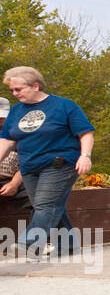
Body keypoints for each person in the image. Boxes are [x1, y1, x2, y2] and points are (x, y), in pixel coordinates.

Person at [0, 67, 95, 257]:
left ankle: (30, 242)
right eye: (12, 90)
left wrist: (85, 156)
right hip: (29, 167)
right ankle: (68, 244)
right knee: (48, 205)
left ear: (35, 85)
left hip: (60, 164)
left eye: (18, 89)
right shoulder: (17, 110)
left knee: (45, 204)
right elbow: (7, 139)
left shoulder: (64, 106)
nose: (14, 93)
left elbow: (85, 132)